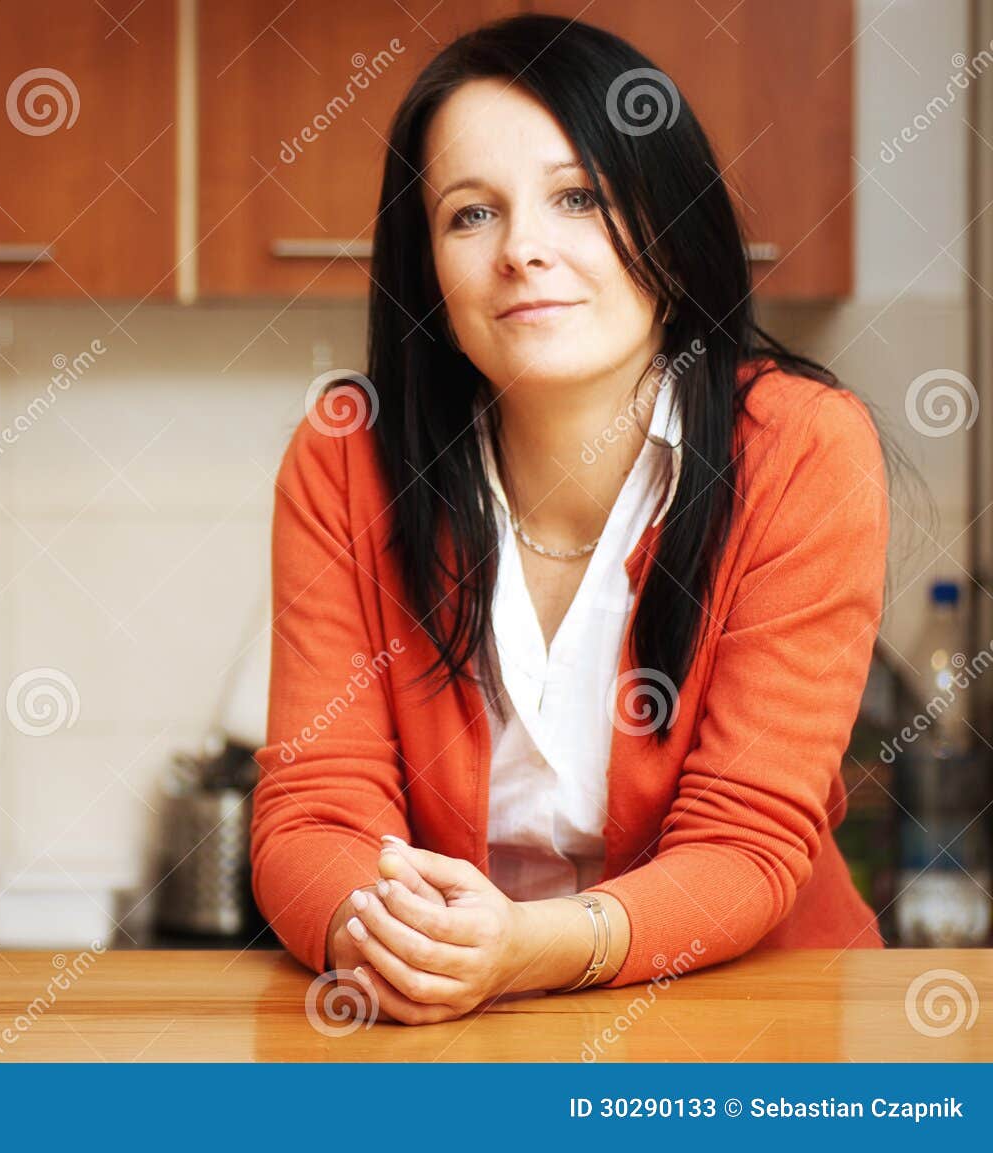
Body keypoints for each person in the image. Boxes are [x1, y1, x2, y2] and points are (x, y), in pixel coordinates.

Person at [251, 14, 899, 1024]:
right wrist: (388, 936)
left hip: (749, 1029)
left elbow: (747, 836)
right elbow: (312, 811)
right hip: (447, 1030)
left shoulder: (803, 447)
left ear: (669, 225)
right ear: (424, 266)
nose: (522, 251)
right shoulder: (346, 455)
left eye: (577, 198)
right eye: (470, 215)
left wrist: (529, 949)